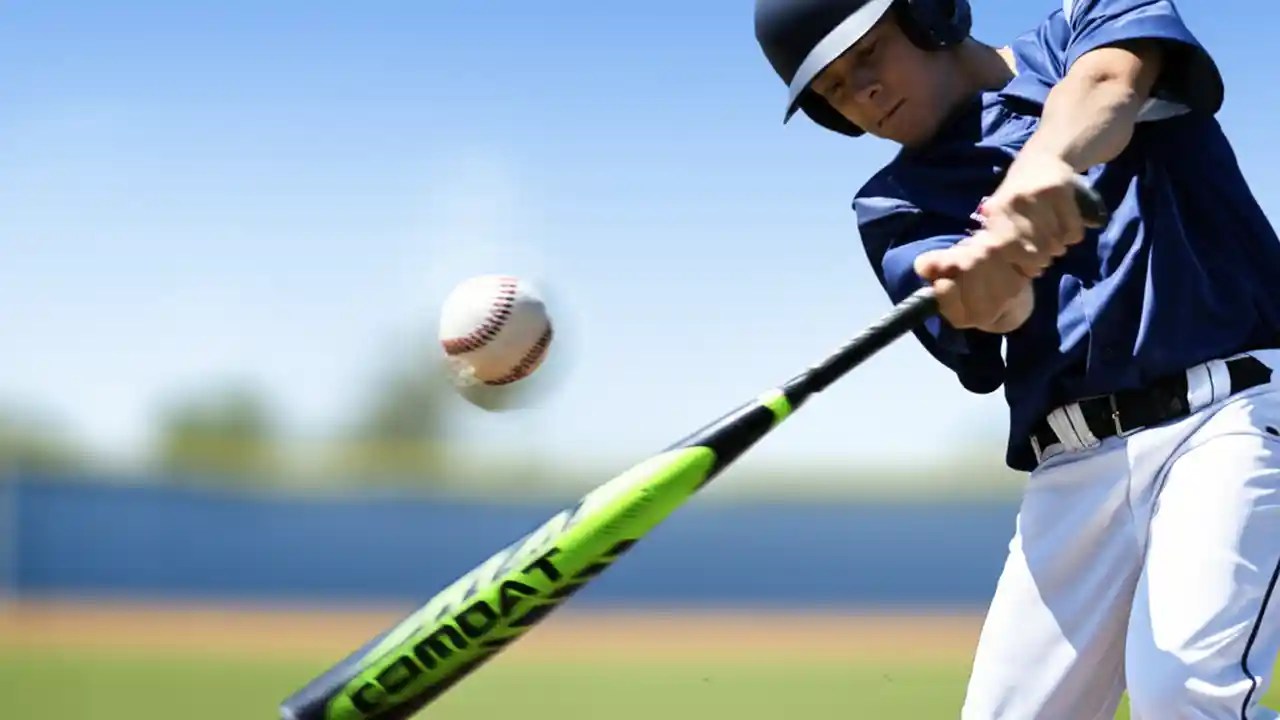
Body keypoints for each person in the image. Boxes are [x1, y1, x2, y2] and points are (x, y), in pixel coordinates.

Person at [754, 0, 1280, 717]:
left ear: (929, 13)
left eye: (869, 54)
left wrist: (1041, 169)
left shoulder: (1080, 24)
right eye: (836, 89)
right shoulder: (892, 204)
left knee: (1184, 690)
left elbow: (1109, 84)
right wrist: (986, 279)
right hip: (1072, 470)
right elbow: (993, 317)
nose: (863, 93)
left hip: (1228, 419)